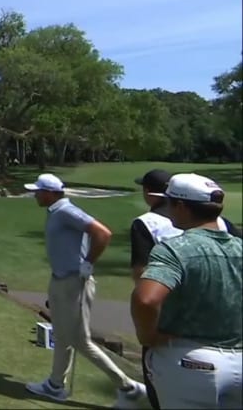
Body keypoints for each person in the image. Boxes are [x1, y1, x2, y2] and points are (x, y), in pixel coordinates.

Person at [24, 173, 147, 406]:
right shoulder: (56, 212)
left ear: (50, 193)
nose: (35, 195)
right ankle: (55, 385)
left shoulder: (66, 211)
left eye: (38, 191)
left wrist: (88, 263)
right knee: (61, 335)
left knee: (81, 340)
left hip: (75, 282)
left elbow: (102, 233)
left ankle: (128, 386)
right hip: (61, 280)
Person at [132, 173, 243, 410]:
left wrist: (148, 337)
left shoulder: (174, 249)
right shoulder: (240, 247)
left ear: (181, 206)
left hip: (190, 363)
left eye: (169, 202)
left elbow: (146, 300)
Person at [129, 168, 180, 410]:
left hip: (166, 319)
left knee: (160, 391)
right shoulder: (220, 223)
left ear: (149, 193)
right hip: (219, 324)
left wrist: (146, 331)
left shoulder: (146, 224)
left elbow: (142, 278)